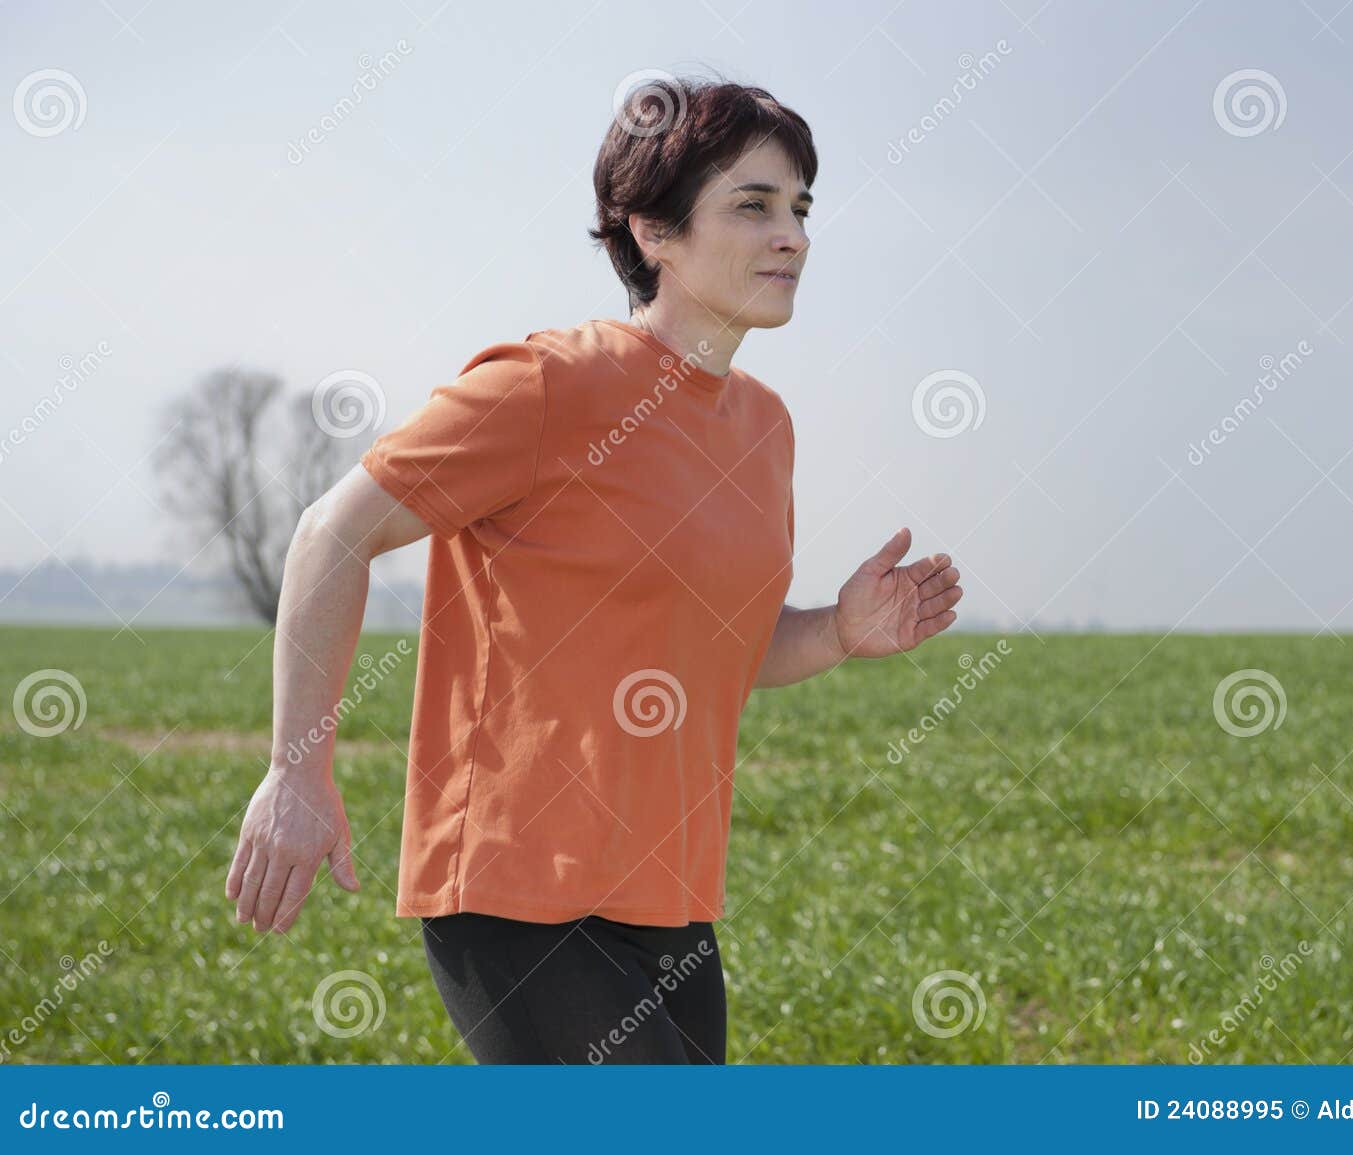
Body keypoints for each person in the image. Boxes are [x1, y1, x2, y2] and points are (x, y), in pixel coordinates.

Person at [223, 75, 964, 1064]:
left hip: (671, 899)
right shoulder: (550, 385)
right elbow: (330, 535)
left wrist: (832, 631)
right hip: (515, 894)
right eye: (752, 205)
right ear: (652, 232)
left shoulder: (764, 428)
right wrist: (295, 770)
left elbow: (723, 651)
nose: (791, 235)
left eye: (799, 208)